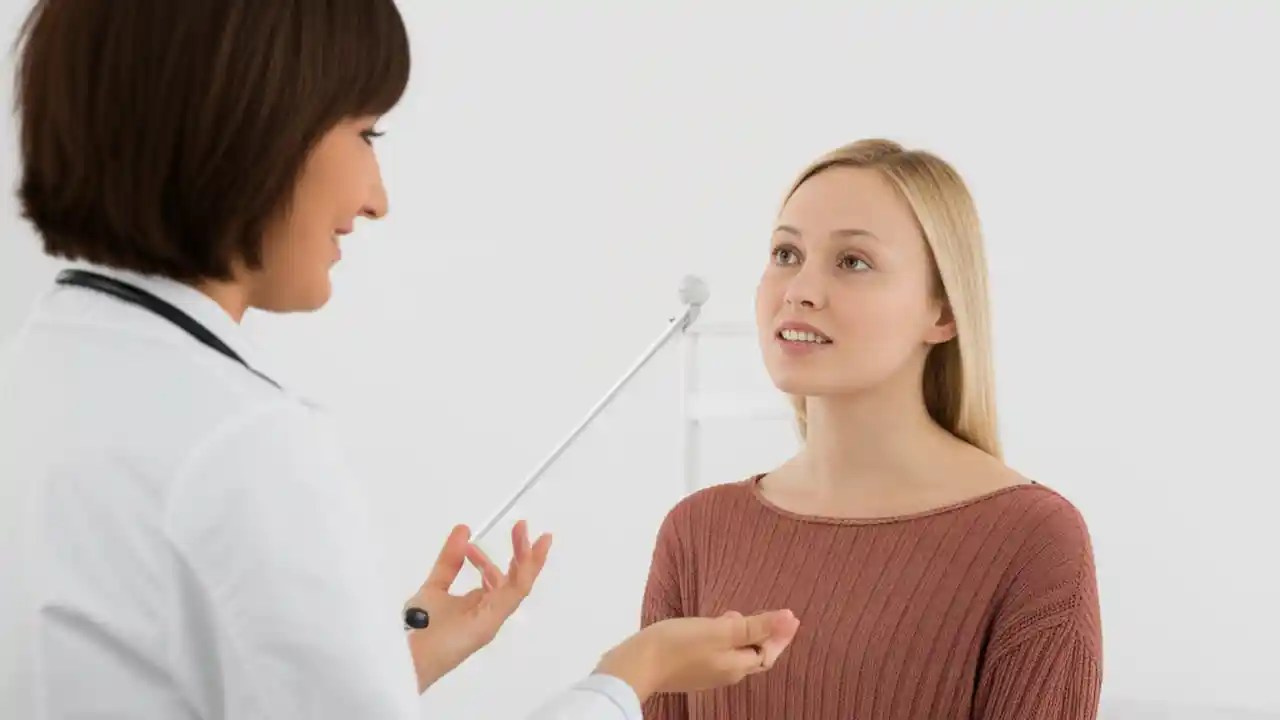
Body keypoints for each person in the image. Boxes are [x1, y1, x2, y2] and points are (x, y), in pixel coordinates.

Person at [0, 2, 800, 719]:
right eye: (365, 134)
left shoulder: (47, 372)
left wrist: (391, 661)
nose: (377, 195)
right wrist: (632, 672)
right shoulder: (241, 444)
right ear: (247, 126)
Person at [638, 139, 1103, 719]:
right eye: (786, 253)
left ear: (943, 312)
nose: (800, 290)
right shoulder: (697, 534)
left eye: (852, 262)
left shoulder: (1033, 541)